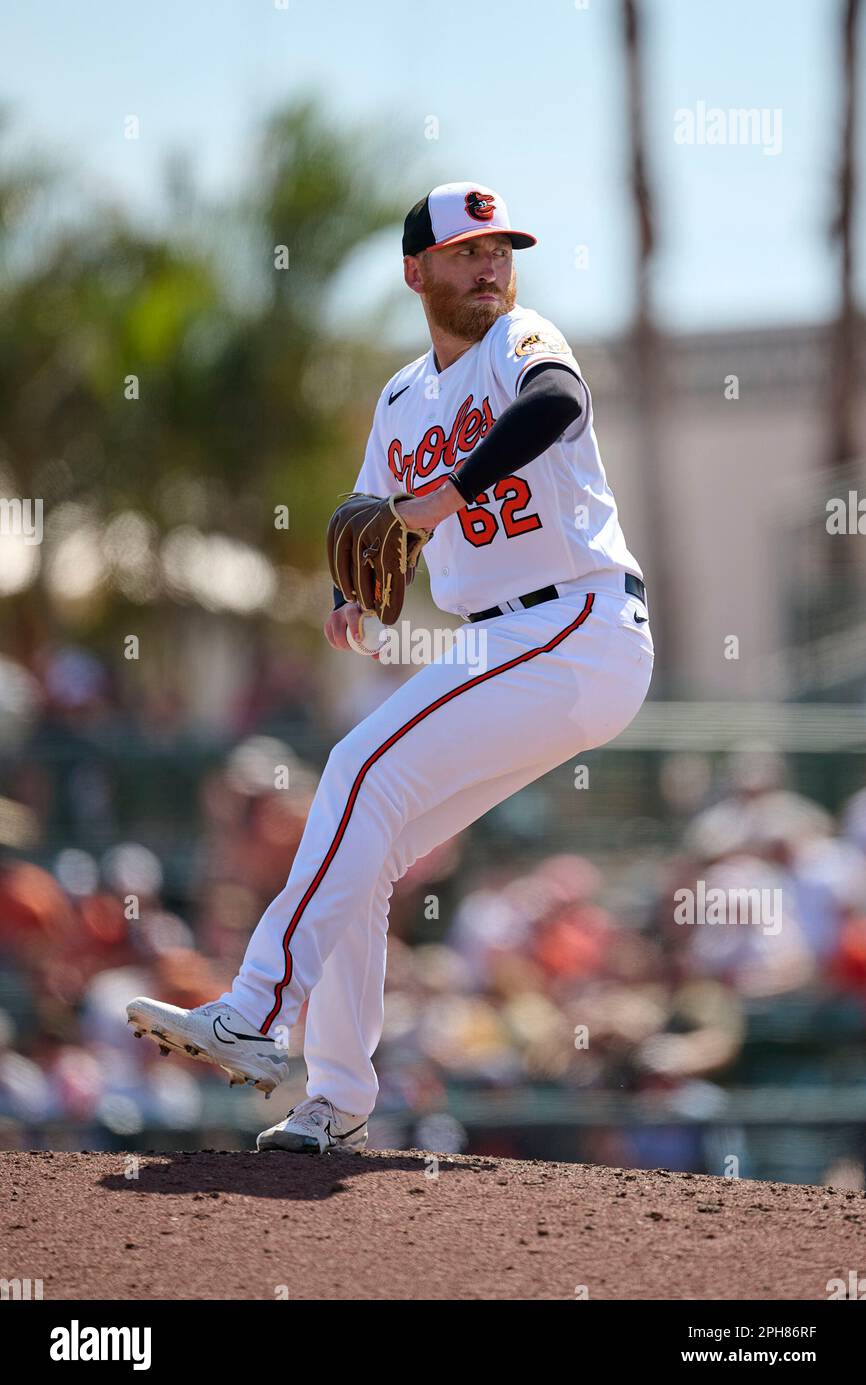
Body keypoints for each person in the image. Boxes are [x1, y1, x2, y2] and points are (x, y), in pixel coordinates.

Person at [127, 181, 654, 1154]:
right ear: (417, 272)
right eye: (466, 251)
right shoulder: (401, 398)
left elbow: (556, 403)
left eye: (500, 248)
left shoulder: (518, 342)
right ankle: (334, 1096)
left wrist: (437, 501)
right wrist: (349, 600)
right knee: (371, 840)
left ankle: (250, 1010)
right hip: (512, 643)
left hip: (576, 622)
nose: (489, 265)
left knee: (354, 768)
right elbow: (372, 526)